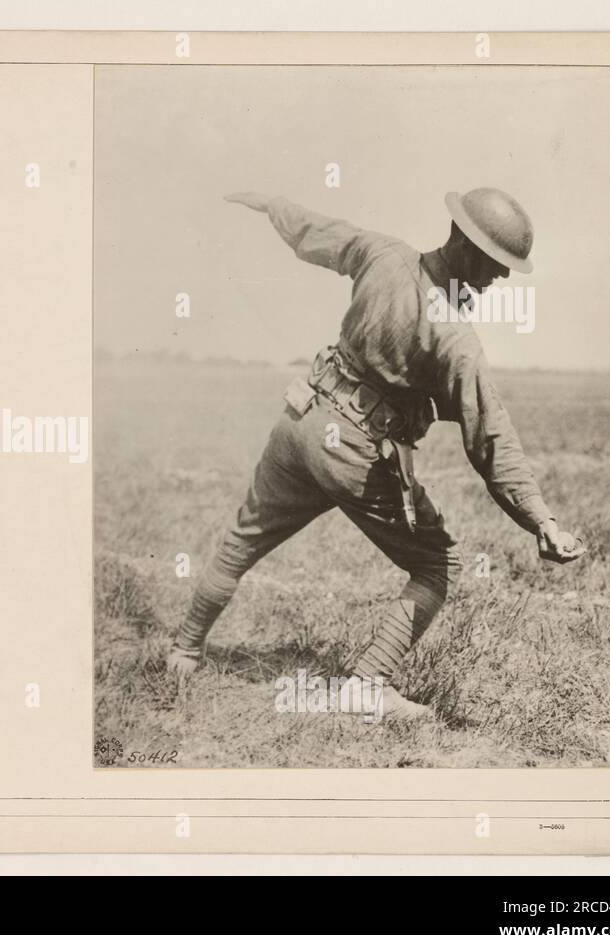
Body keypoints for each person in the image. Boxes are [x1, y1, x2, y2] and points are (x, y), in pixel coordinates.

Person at [166, 187, 586, 720]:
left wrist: (267, 199)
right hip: (354, 453)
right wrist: (541, 520)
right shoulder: (455, 337)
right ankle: (366, 687)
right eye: (493, 263)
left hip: (301, 421)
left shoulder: (383, 253)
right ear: (462, 244)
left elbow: (310, 231)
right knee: (437, 564)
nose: (498, 278)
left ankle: (183, 652)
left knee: (242, 537)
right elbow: (491, 438)